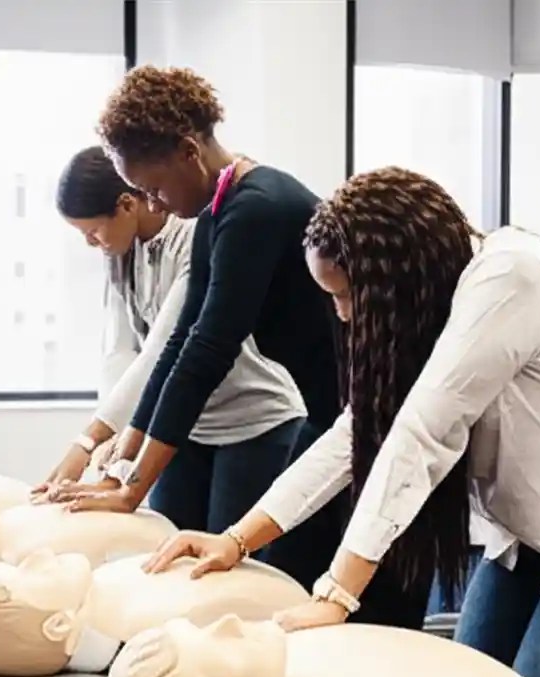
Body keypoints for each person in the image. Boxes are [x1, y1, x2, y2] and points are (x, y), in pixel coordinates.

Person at [144, 166, 540, 677]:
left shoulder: (511, 276)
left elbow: (422, 436)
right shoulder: (433, 314)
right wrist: (237, 539)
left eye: (346, 294)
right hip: (525, 540)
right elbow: (355, 436)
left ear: (395, 276)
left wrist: (337, 594)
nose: (342, 314)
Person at [43, 65, 351, 601]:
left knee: (285, 581)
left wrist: (133, 489)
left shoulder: (258, 208)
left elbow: (209, 351)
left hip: (360, 415)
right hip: (330, 416)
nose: (154, 204)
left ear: (190, 151)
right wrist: (124, 464)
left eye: (153, 188)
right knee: (279, 574)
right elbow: (178, 346)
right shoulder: (218, 214)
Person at [33, 146, 309, 539]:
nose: (92, 244)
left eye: (93, 231)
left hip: (252, 425)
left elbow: (166, 350)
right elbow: (120, 352)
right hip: (181, 424)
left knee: (223, 555)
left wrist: (89, 440)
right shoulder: (121, 253)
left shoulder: (196, 236)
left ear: (128, 205)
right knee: (166, 546)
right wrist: (118, 443)